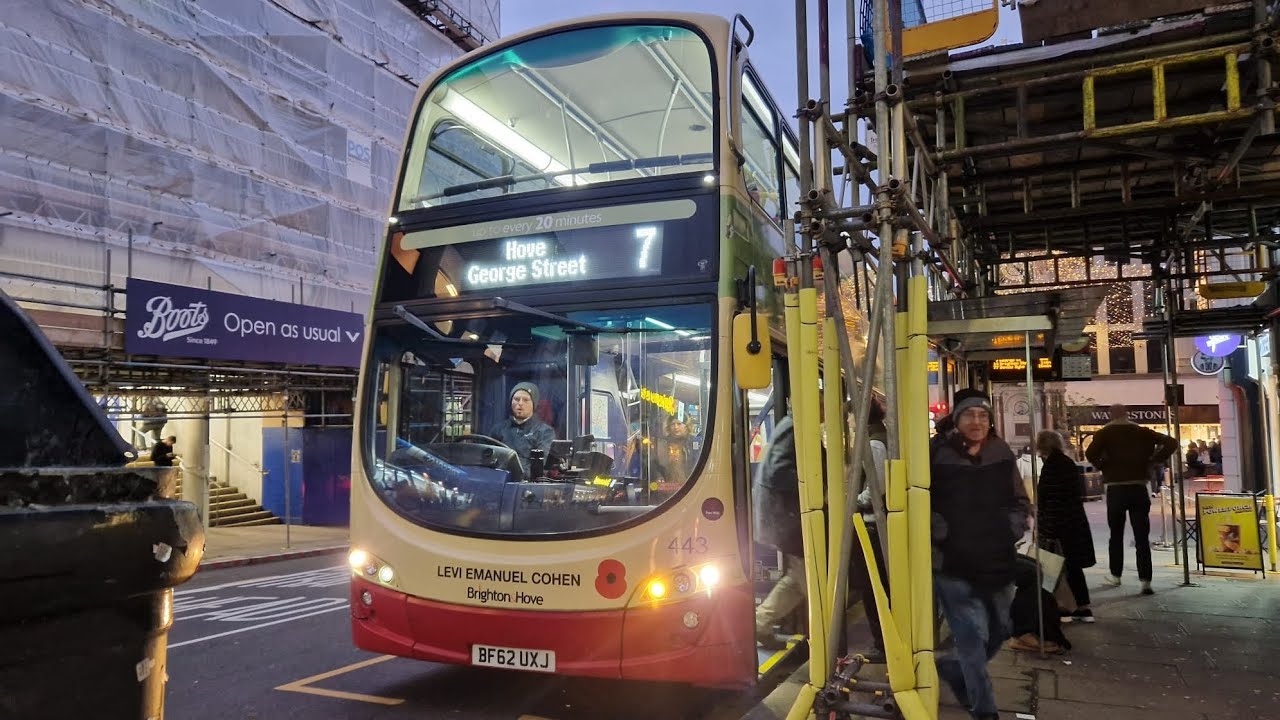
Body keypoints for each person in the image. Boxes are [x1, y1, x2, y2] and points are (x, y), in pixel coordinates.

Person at [931, 391, 1031, 720]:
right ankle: (984, 709)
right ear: (956, 419)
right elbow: (919, 499)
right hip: (952, 562)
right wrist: (941, 532)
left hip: (996, 556)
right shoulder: (936, 452)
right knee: (972, 636)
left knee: (1000, 629)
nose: (977, 422)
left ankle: (952, 669)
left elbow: (1018, 498)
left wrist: (1012, 528)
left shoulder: (1000, 451)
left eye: (983, 416)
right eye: (969, 415)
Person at [1085, 404, 1178, 596]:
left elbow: (1090, 454)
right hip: (1138, 487)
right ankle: (1146, 581)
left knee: (1116, 534)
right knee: (1142, 536)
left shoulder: (1104, 433)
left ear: (1111, 415)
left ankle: (1116, 575)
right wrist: (1154, 460)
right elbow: (1171, 442)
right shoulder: (1142, 431)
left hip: (1116, 488)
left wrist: (1105, 466)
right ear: (1127, 414)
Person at [752, 412, 804, 650]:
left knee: (799, 578)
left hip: (785, 519)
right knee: (809, 579)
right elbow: (779, 472)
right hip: (787, 519)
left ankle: (760, 623)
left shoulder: (790, 426)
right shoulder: (793, 428)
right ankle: (827, 636)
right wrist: (816, 484)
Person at [1034, 430, 1097, 623]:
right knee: (1072, 566)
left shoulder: (1052, 466)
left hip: (1058, 525)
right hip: (1073, 521)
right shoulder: (1066, 463)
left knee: (1054, 567)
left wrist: (1045, 527)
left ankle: (1064, 607)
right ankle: (1081, 607)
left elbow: (1049, 499)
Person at [849, 399, 889, 661]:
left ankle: (882, 643)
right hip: (875, 523)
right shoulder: (879, 437)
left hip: (874, 524)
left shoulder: (874, 444)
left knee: (873, 586)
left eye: (851, 416)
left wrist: (853, 500)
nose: (849, 422)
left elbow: (877, 487)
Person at [487, 382, 555, 473]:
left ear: (534, 404)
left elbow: (540, 465)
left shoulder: (545, 432)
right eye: (516, 399)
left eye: (526, 400)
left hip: (527, 480)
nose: (520, 403)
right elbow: (487, 458)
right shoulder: (498, 429)